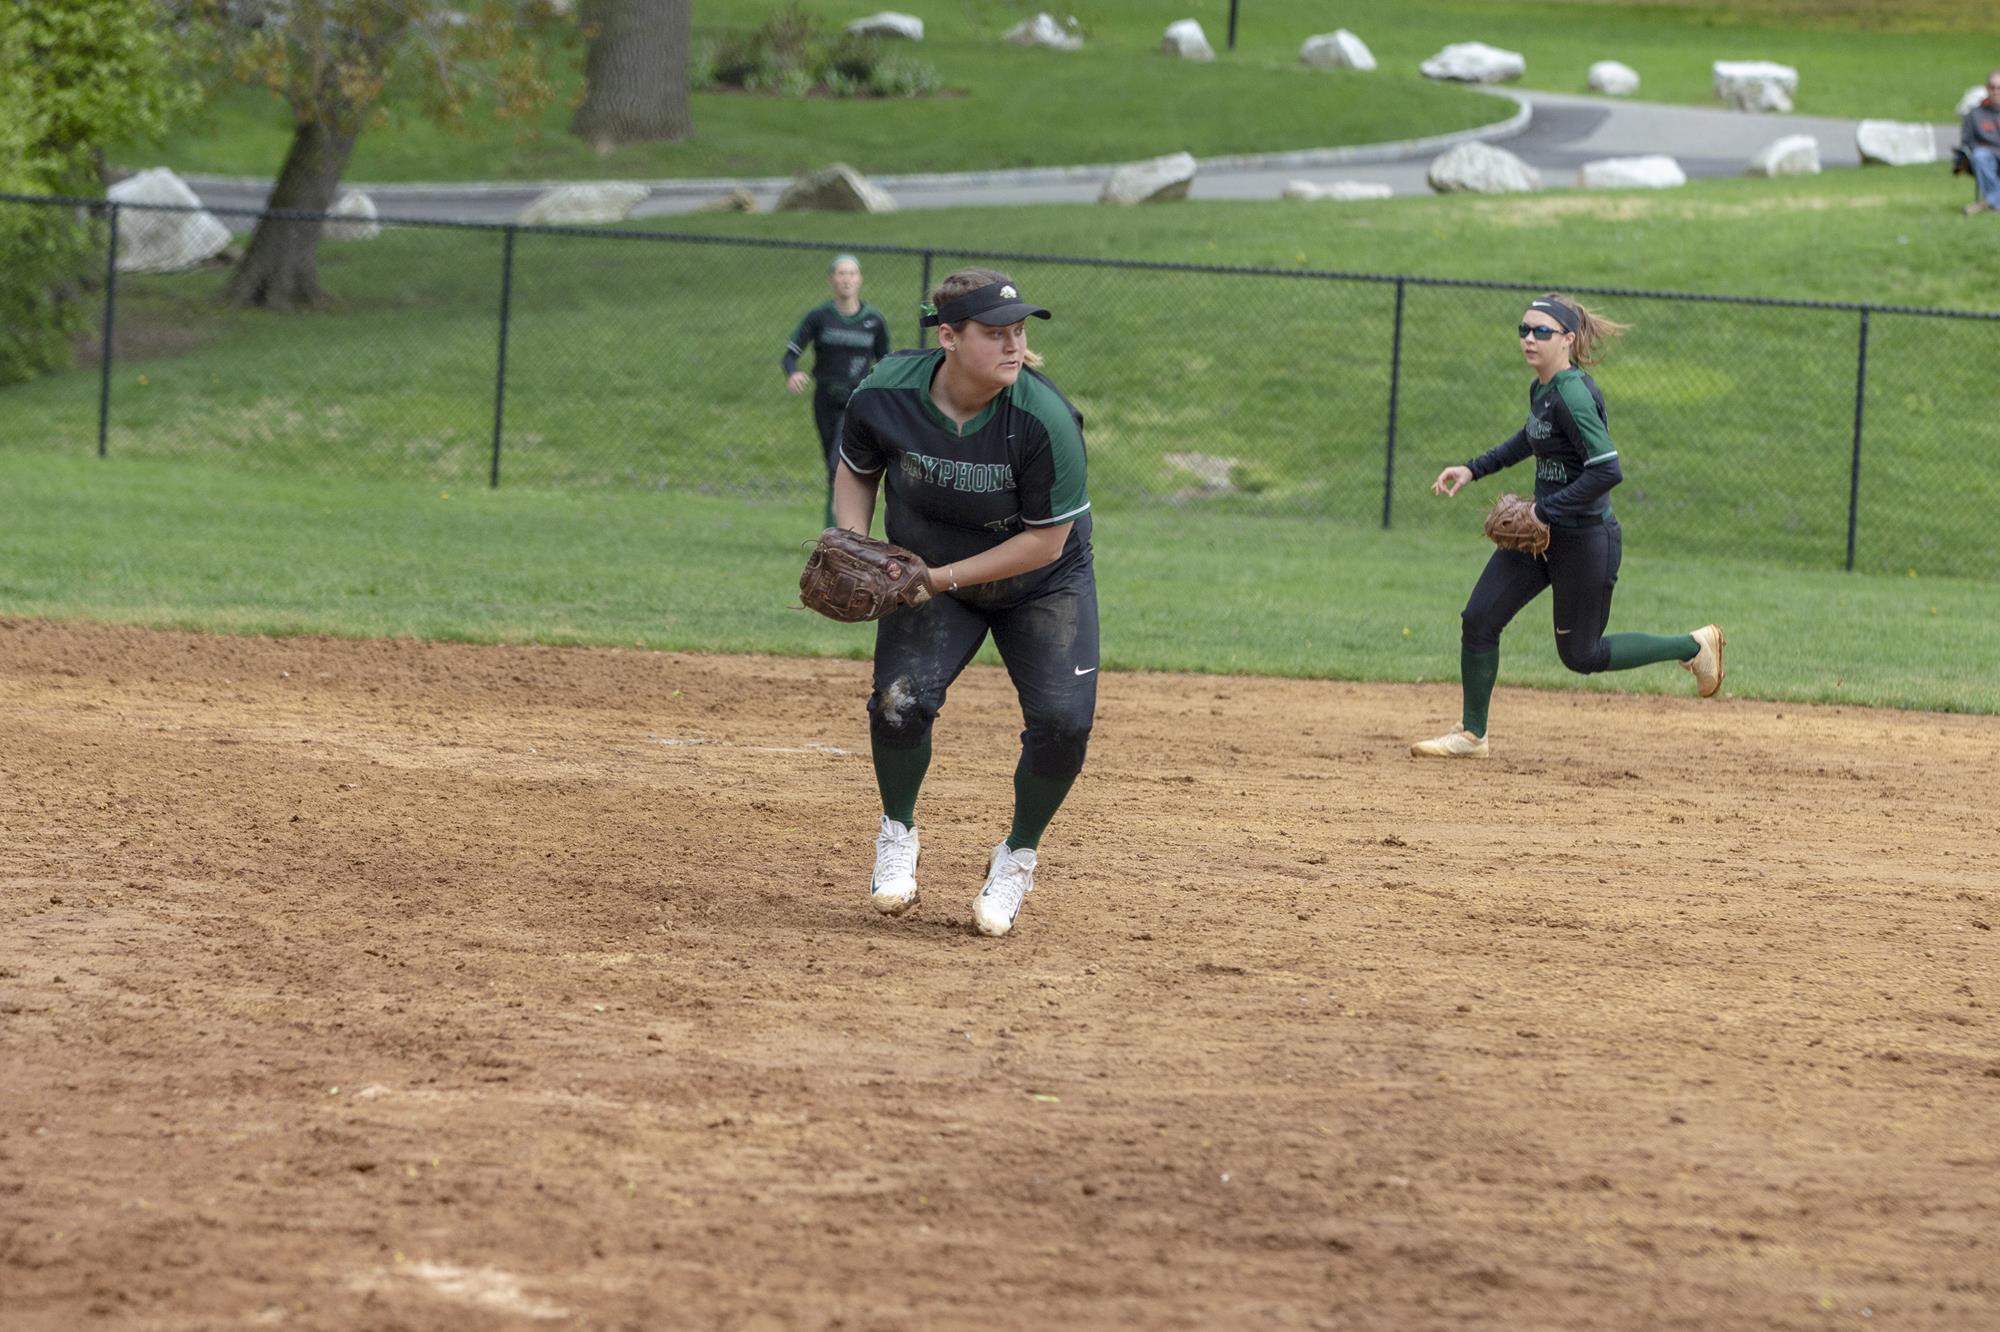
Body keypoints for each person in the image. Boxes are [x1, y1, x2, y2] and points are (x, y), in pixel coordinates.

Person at [830, 268, 1095, 938]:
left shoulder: (1043, 419)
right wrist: (854, 544)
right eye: (994, 332)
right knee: (899, 701)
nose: (1013, 345)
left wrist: (938, 579)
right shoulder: (886, 393)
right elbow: (857, 471)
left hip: (1040, 583)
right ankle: (898, 831)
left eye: (1018, 332)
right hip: (925, 570)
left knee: (1063, 723)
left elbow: (1044, 544)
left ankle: (1017, 855)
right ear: (948, 337)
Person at [1411, 294, 1725, 759]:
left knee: (1582, 656)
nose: (1529, 339)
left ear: (1568, 339)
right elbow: (1531, 437)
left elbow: (1607, 470)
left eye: (1542, 331)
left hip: (1584, 539)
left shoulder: (1574, 393)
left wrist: (1544, 510)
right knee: (1479, 619)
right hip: (1545, 534)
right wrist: (1474, 468)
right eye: (1523, 330)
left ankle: (1693, 646)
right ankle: (1473, 735)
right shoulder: (1544, 390)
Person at [783, 255, 892, 524]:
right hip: (825, 400)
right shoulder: (820, 317)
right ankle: (834, 532)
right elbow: (789, 355)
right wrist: (793, 372)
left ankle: (835, 533)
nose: (846, 279)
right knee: (831, 469)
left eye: (852, 274)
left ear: (860, 279)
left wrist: (885, 396)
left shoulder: (874, 320)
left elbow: (886, 364)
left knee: (838, 463)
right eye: (841, 274)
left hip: (856, 402)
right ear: (831, 279)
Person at [1960, 70, 2000, 216]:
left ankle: (1987, 203)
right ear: (1986, 88)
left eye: (1999, 87)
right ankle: (1994, 202)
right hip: (1986, 157)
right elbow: (1967, 141)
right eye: (1992, 87)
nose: (1995, 91)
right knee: (1980, 156)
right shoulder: (1975, 114)